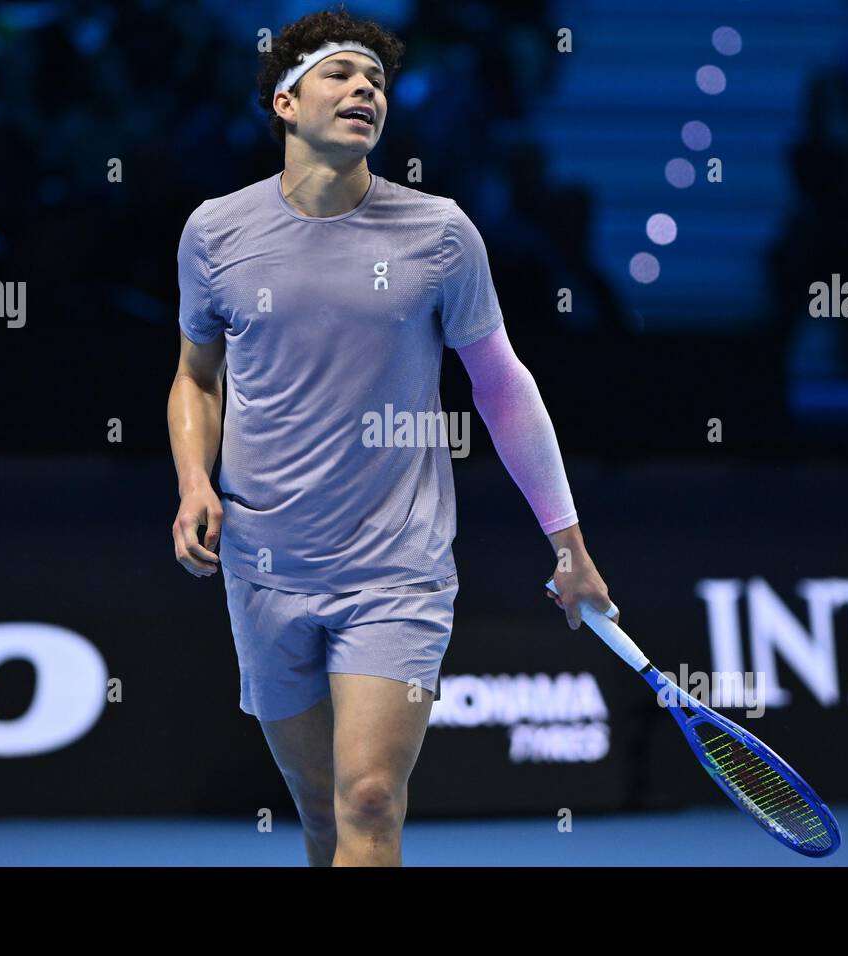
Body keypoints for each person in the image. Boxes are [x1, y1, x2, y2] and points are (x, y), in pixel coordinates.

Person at [166, 8, 615, 867]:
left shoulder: (440, 235)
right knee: (322, 815)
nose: (364, 89)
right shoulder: (215, 232)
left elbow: (502, 385)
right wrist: (195, 481)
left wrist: (569, 541)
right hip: (264, 564)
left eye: (376, 80)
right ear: (286, 104)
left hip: (395, 567)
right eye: (341, 74)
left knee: (369, 797)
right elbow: (196, 375)